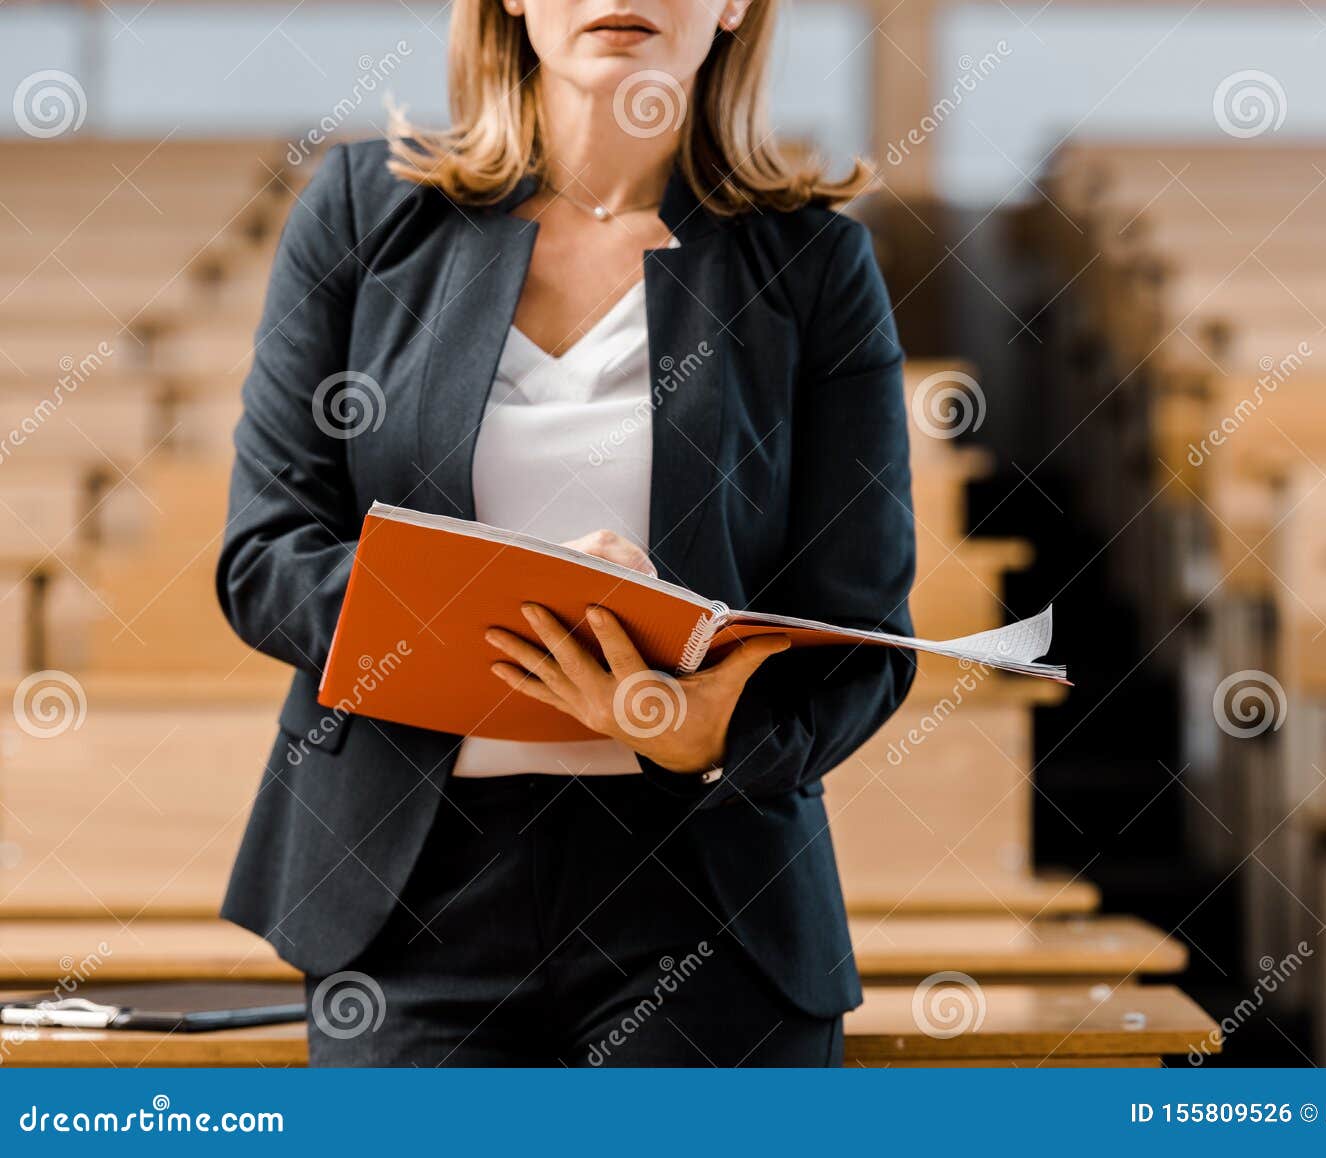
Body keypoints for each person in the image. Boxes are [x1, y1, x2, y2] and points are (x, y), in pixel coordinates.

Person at [216, 0, 916, 1066]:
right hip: (408, 900)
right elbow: (266, 555)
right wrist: (483, 599)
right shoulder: (362, 215)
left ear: (733, 7)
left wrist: (716, 733)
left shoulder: (813, 264)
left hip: (707, 901)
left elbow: (861, 624)